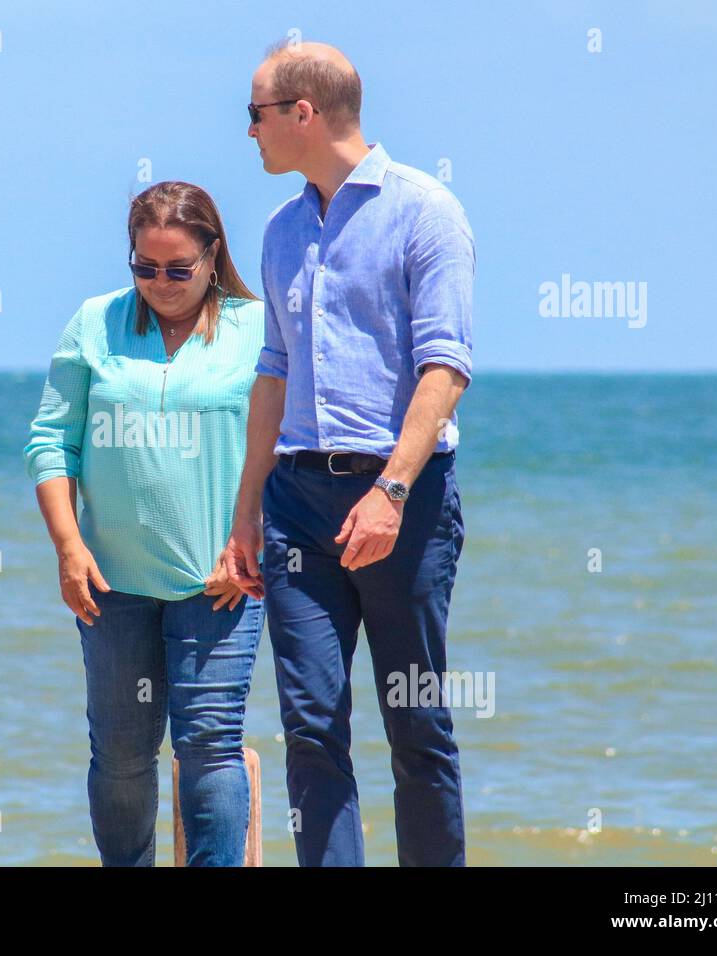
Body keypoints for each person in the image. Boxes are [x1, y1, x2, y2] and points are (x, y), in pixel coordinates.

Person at [223, 40, 474, 866]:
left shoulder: (425, 210)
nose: (247, 131)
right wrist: (247, 511)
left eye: (255, 113)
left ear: (303, 113)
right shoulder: (280, 227)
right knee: (312, 726)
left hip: (406, 501)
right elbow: (274, 368)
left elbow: (446, 367)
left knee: (417, 725)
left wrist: (392, 493)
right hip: (297, 501)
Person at [25, 182, 265, 866]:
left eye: (178, 269)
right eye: (145, 267)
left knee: (210, 745)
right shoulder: (94, 323)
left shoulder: (258, 328)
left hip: (219, 580)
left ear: (213, 257)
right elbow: (50, 442)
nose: (160, 282)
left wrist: (253, 542)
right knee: (123, 757)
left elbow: (284, 445)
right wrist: (69, 549)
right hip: (111, 582)